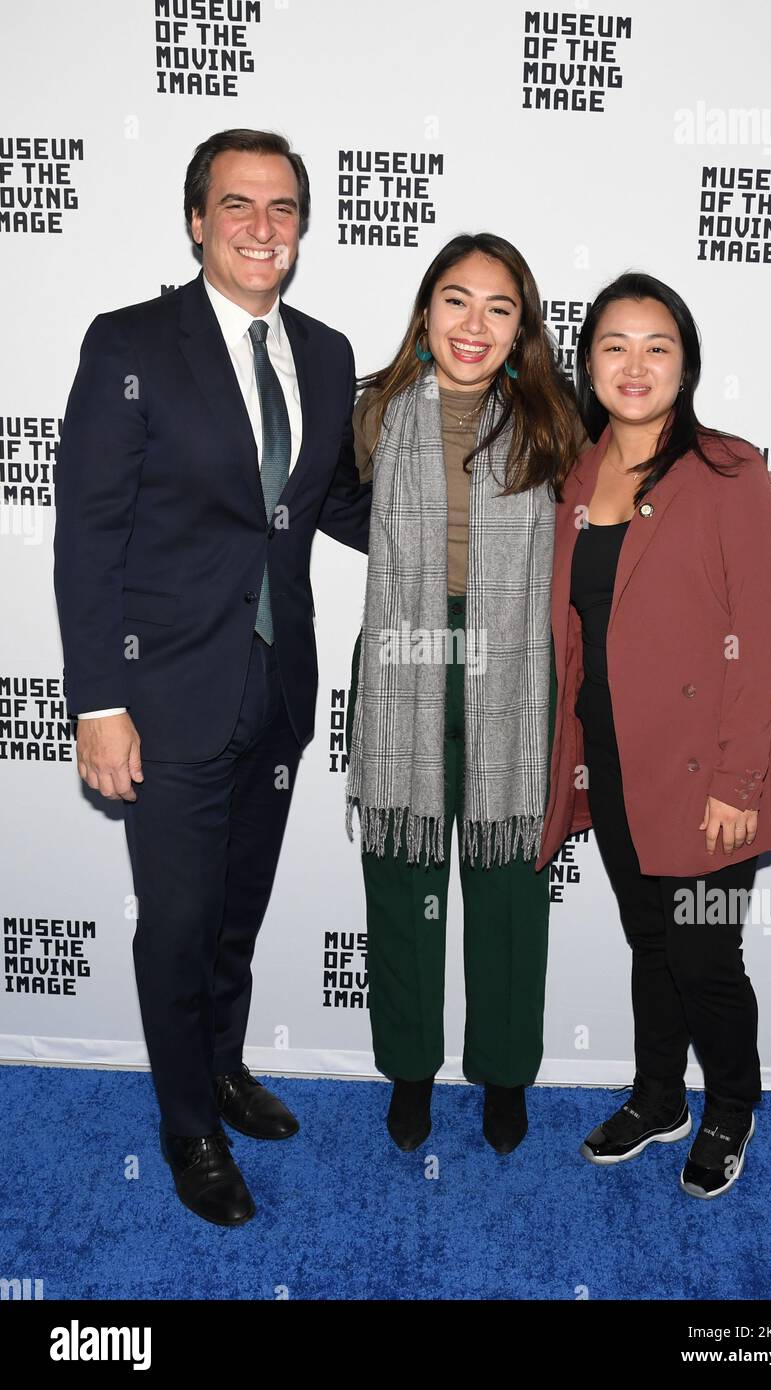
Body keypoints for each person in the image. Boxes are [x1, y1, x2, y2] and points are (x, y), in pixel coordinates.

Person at [53, 128, 371, 1226]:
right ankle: (186, 1123)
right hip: (165, 696)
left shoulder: (325, 355)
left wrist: (465, 519)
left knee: (236, 912)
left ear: (301, 227)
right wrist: (98, 704)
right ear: (196, 220)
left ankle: (225, 1067)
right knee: (178, 922)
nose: (259, 226)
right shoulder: (131, 342)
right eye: (235, 204)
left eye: (281, 207)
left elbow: (327, 503)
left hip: (278, 692)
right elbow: (88, 536)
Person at [538, 271, 771, 1198]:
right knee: (649, 937)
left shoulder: (728, 470)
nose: (636, 364)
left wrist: (739, 778)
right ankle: (660, 1097)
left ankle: (732, 1103)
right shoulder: (580, 469)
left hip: (706, 771)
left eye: (659, 346)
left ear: (686, 364)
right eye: (615, 345)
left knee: (703, 951)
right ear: (589, 361)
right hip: (612, 757)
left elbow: (759, 636)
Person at [345, 233, 581, 1155]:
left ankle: (504, 1074)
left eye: (499, 306)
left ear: (522, 327)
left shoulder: (558, 424)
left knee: (509, 887)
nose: (473, 323)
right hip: (406, 665)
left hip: (516, 672)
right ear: (425, 312)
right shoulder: (372, 413)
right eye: (455, 299)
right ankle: (409, 1070)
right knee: (402, 879)